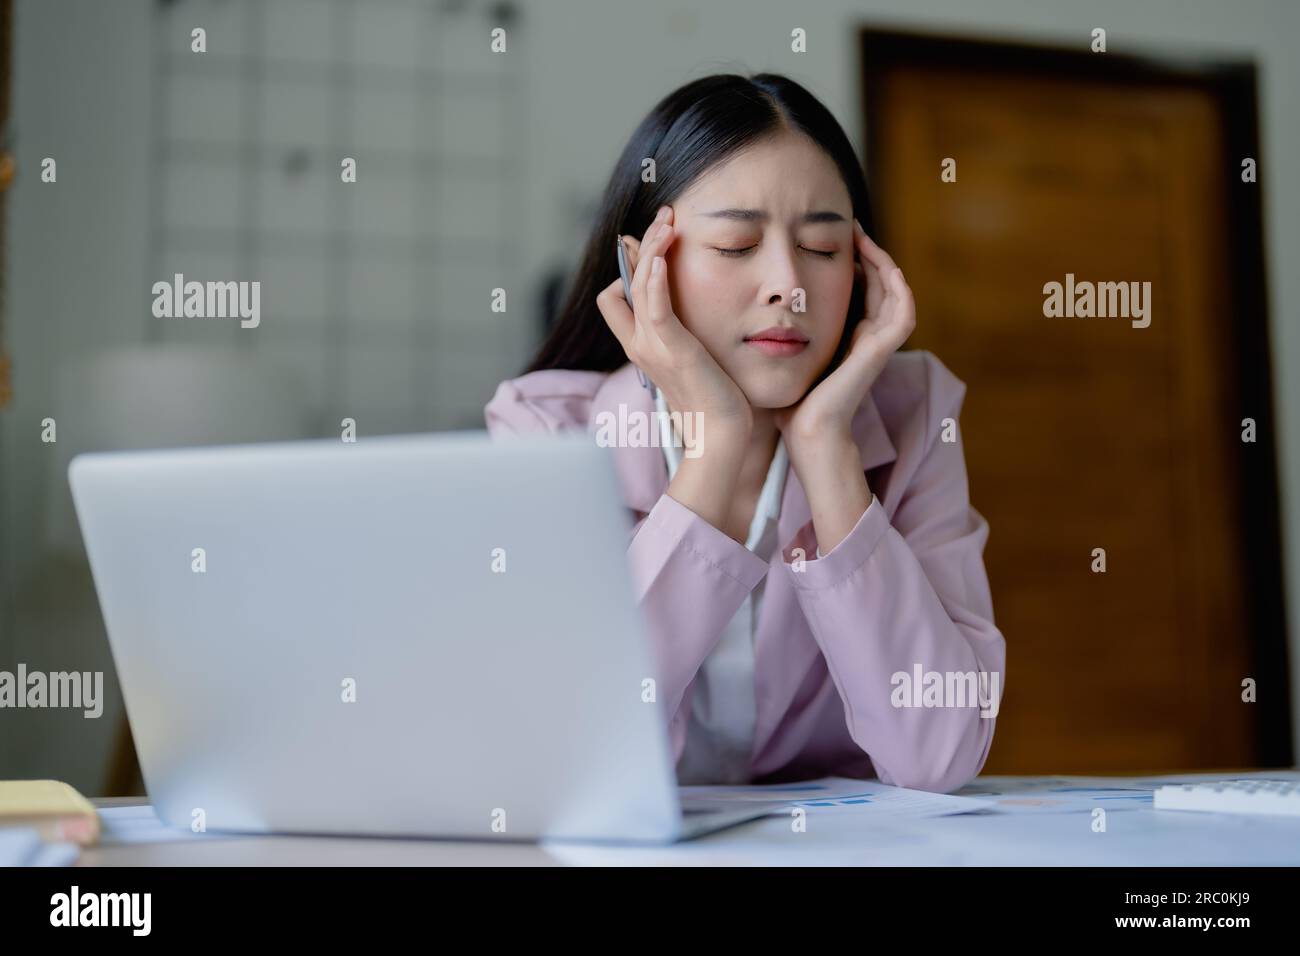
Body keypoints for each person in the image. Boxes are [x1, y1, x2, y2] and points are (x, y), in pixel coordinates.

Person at [484, 73, 1005, 792]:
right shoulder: (542, 432)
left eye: (823, 251)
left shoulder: (918, 412)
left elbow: (936, 756)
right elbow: (568, 758)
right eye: (735, 246)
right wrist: (715, 451)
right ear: (643, 270)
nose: (788, 287)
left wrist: (829, 449)